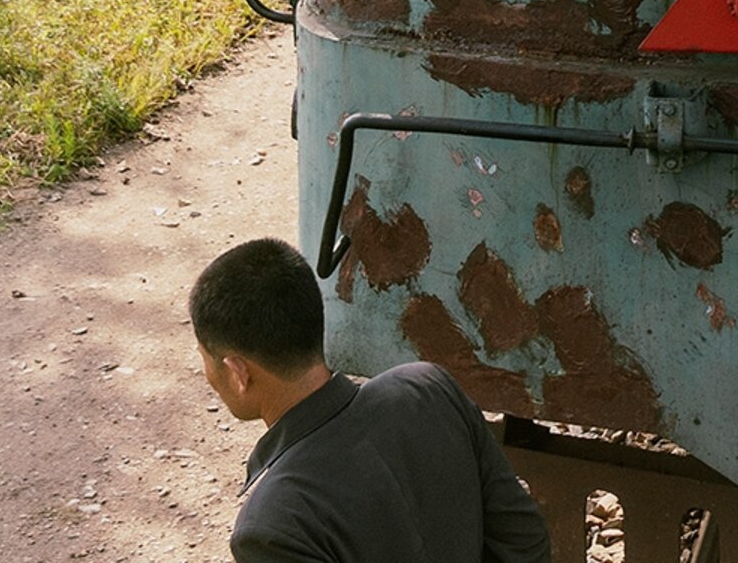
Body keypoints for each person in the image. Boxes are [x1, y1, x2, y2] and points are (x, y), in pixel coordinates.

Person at [192, 236, 551, 563]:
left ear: (239, 373)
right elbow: (526, 541)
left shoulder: (272, 526)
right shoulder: (428, 389)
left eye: (206, 358)